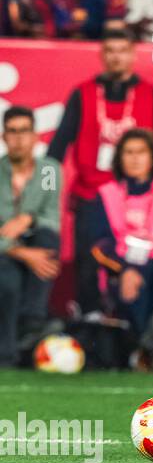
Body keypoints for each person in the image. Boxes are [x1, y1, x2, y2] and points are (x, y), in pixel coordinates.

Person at [47, 29, 153, 313]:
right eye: (110, 50)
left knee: (147, 261)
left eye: (122, 50)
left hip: (138, 198)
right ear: (102, 55)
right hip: (91, 196)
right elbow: (57, 148)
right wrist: (46, 190)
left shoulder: (150, 94)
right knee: (87, 261)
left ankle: (146, 329)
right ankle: (90, 320)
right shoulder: (82, 94)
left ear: (132, 54)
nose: (116, 56)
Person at [88, 128, 153, 372]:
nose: (134, 158)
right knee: (134, 283)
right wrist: (126, 270)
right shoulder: (106, 194)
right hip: (121, 267)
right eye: (128, 152)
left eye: (141, 152)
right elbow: (100, 245)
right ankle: (150, 346)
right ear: (119, 158)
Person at [0, 106, 61, 368]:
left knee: (47, 238)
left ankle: (32, 320)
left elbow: (52, 219)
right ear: (4, 137)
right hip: (5, 252)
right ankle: (9, 353)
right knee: (9, 281)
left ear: (36, 136)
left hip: (35, 242)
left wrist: (28, 218)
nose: (19, 138)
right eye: (12, 132)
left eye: (24, 131)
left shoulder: (49, 171)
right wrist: (18, 251)